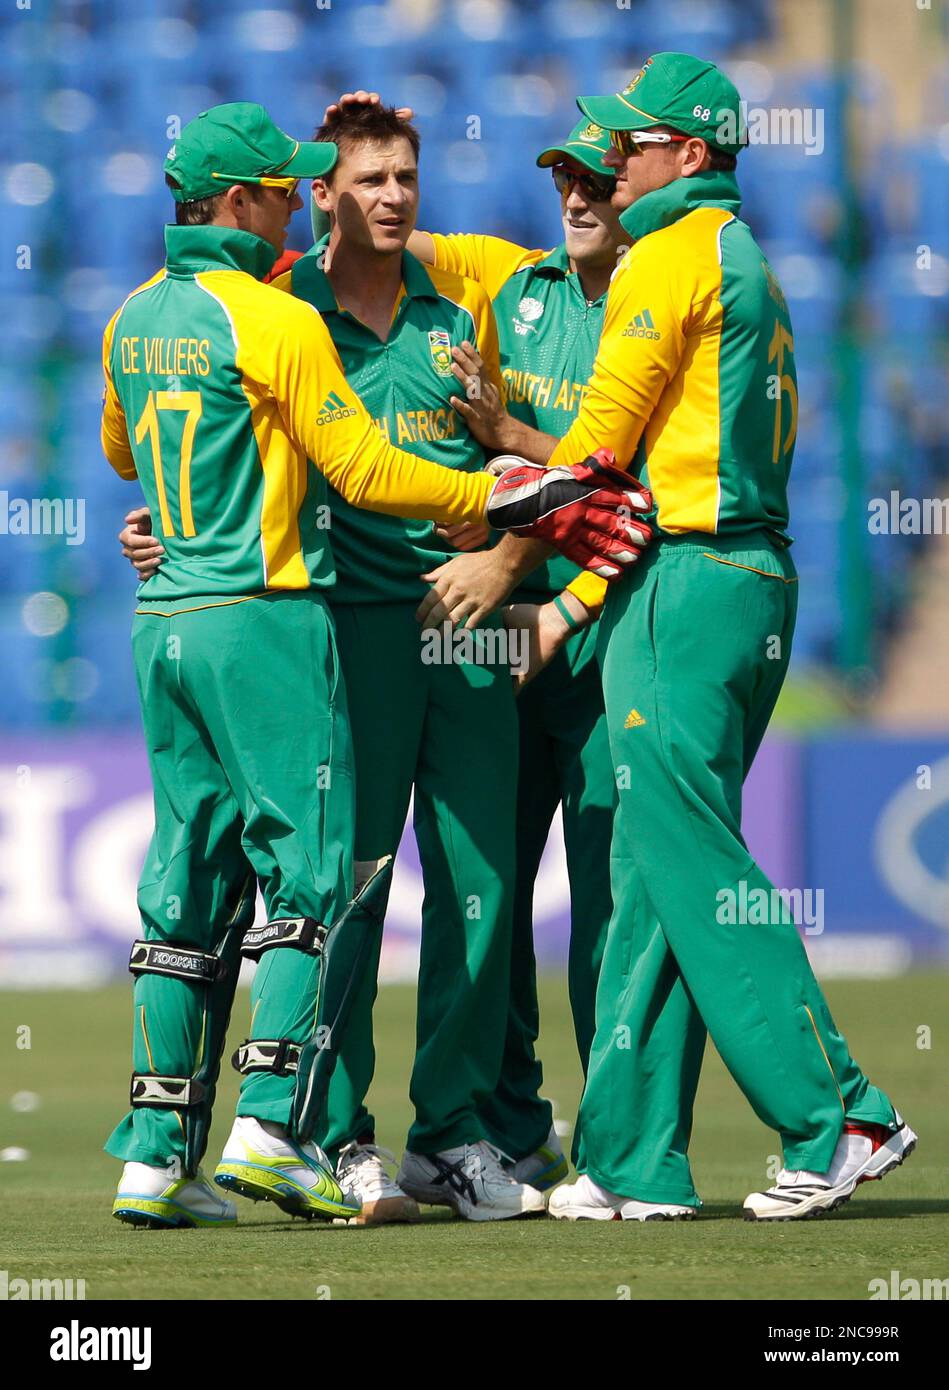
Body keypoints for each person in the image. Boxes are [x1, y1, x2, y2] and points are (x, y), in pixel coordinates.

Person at [100, 100, 650, 1229]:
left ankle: (452, 1136)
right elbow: (273, 459)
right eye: (368, 181)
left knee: (484, 880)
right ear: (317, 197)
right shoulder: (278, 305)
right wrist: (169, 517)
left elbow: (523, 425)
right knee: (342, 882)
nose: (394, 196)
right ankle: (330, 1129)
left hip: (472, 616)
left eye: (407, 176)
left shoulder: (469, 298)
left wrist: (509, 553)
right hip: (335, 622)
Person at [419, 54, 917, 1223]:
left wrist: (470, 504)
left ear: (687, 156)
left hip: (687, 583)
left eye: (629, 145)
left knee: (687, 860)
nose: (609, 162)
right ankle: (634, 1161)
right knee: (651, 872)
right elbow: (620, 461)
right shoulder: (739, 255)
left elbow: (592, 458)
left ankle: (837, 1108)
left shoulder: (672, 257)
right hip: (740, 576)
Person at [403, 117, 630, 1189]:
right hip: (492, 635)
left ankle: (620, 1143)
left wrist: (505, 552)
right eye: (563, 180)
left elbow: (625, 486)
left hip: (602, 616)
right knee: (482, 889)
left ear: (641, 182)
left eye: (596, 179)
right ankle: (497, 1121)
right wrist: (329, 157)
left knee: (608, 902)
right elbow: (372, 239)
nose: (576, 198)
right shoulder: (509, 276)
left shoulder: (663, 305)